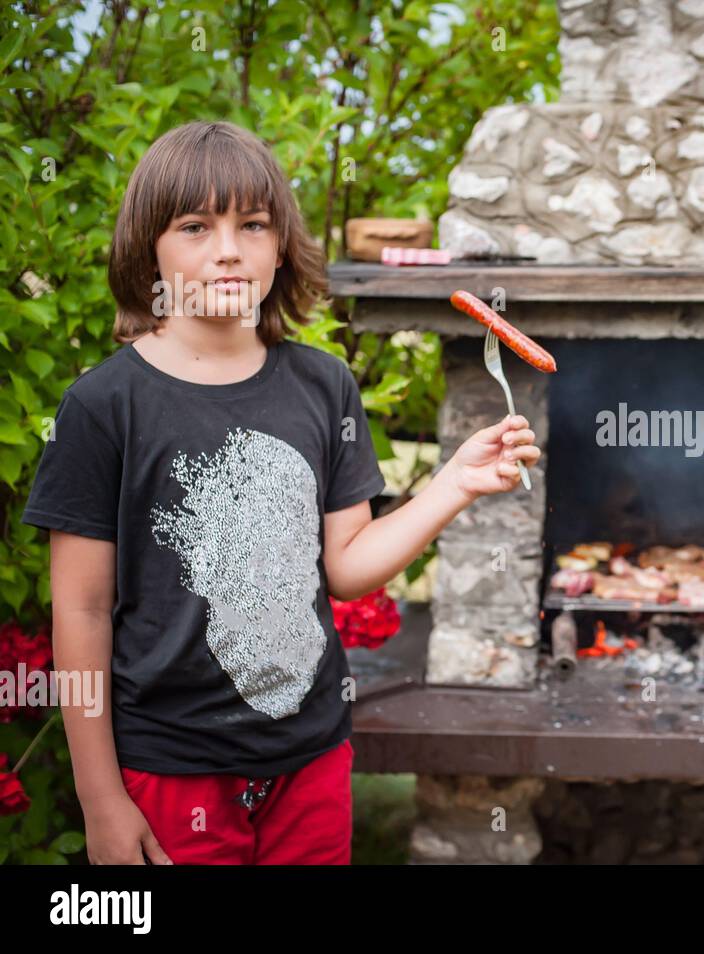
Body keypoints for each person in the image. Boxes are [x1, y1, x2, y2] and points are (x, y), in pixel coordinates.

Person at [21, 120, 541, 864]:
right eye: (196, 225)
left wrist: (452, 484)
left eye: (253, 224)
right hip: (169, 771)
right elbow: (80, 609)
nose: (228, 248)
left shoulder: (322, 385)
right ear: (149, 250)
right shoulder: (106, 408)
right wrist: (101, 800)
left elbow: (347, 566)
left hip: (312, 762)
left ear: (279, 244)